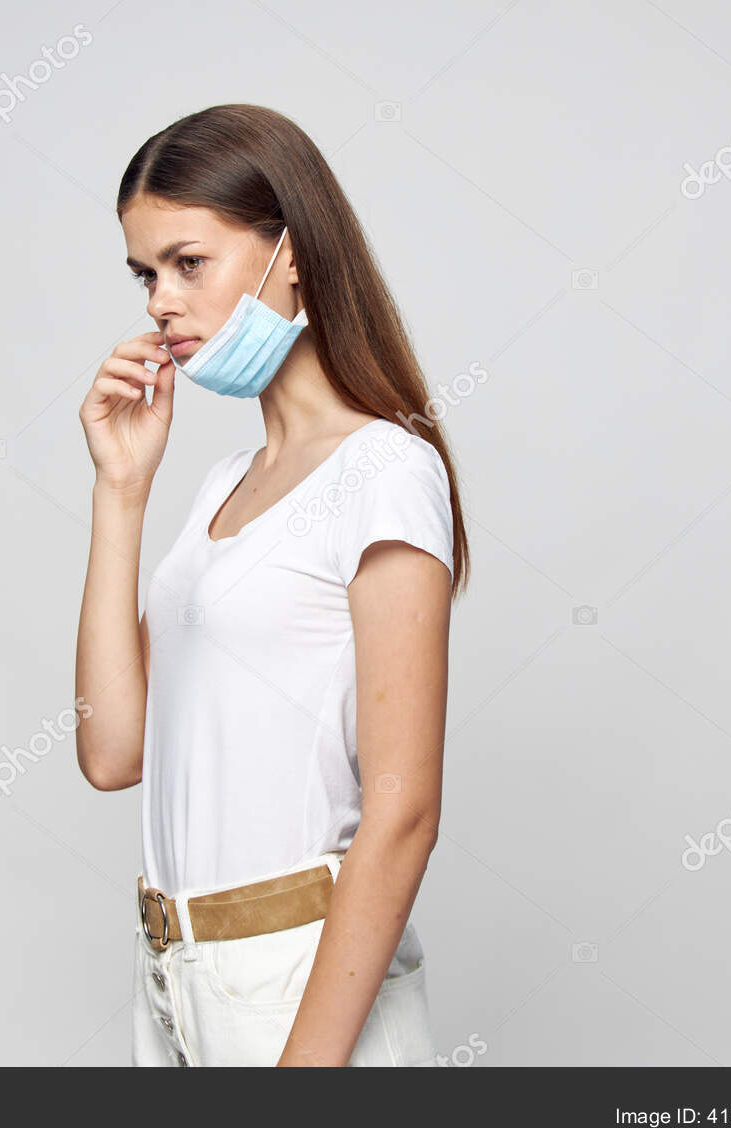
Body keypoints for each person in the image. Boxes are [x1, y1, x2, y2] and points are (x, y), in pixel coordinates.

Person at [74, 103, 470, 1067]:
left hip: (297, 987)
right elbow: (111, 749)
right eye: (146, 274)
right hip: (175, 977)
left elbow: (404, 809)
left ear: (290, 251)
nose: (160, 302)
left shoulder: (383, 471)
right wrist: (121, 491)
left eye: (189, 262)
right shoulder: (221, 489)